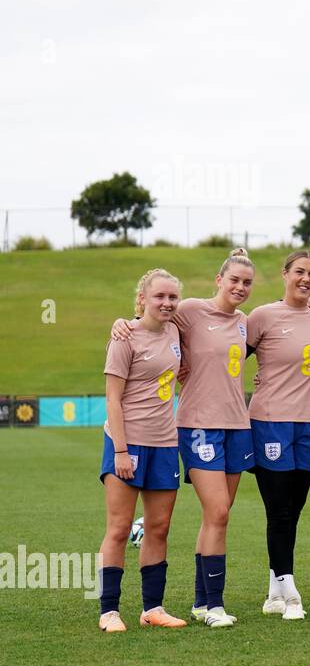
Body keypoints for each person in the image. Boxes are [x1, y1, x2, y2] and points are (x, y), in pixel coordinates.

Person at [113, 248, 256, 626]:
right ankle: (215, 607)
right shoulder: (189, 310)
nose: (240, 288)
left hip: (237, 425)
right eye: (234, 280)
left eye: (247, 283)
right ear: (218, 280)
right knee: (218, 510)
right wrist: (122, 322)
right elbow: (150, 318)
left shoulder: (245, 322)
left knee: (221, 518)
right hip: (197, 425)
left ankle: (200, 602)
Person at [96, 268, 187, 632]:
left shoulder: (177, 330)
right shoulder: (124, 337)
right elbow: (112, 399)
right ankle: (109, 611)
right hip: (127, 442)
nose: (166, 303)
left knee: (159, 528)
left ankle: (153, 608)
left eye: (172, 297)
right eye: (159, 297)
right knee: (119, 528)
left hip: (166, 442)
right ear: (142, 299)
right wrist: (120, 450)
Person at [246, 250, 310, 620]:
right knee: (278, 510)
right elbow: (227, 355)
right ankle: (291, 593)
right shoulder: (262, 316)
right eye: (299, 272)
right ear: (284, 274)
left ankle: (273, 590)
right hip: (270, 423)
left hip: (308, 424)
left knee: (293, 511)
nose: (306, 279)